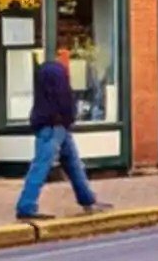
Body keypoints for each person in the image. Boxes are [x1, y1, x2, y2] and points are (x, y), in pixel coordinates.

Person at [15, 61, 112, 220]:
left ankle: (87, 198)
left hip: (53, 126)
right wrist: (69, 117)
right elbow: (65, 101)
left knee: (74, 164)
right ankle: (26, 206)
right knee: (41, 167)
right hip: (56, 127)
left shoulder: (43, 81)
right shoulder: (59, 80)